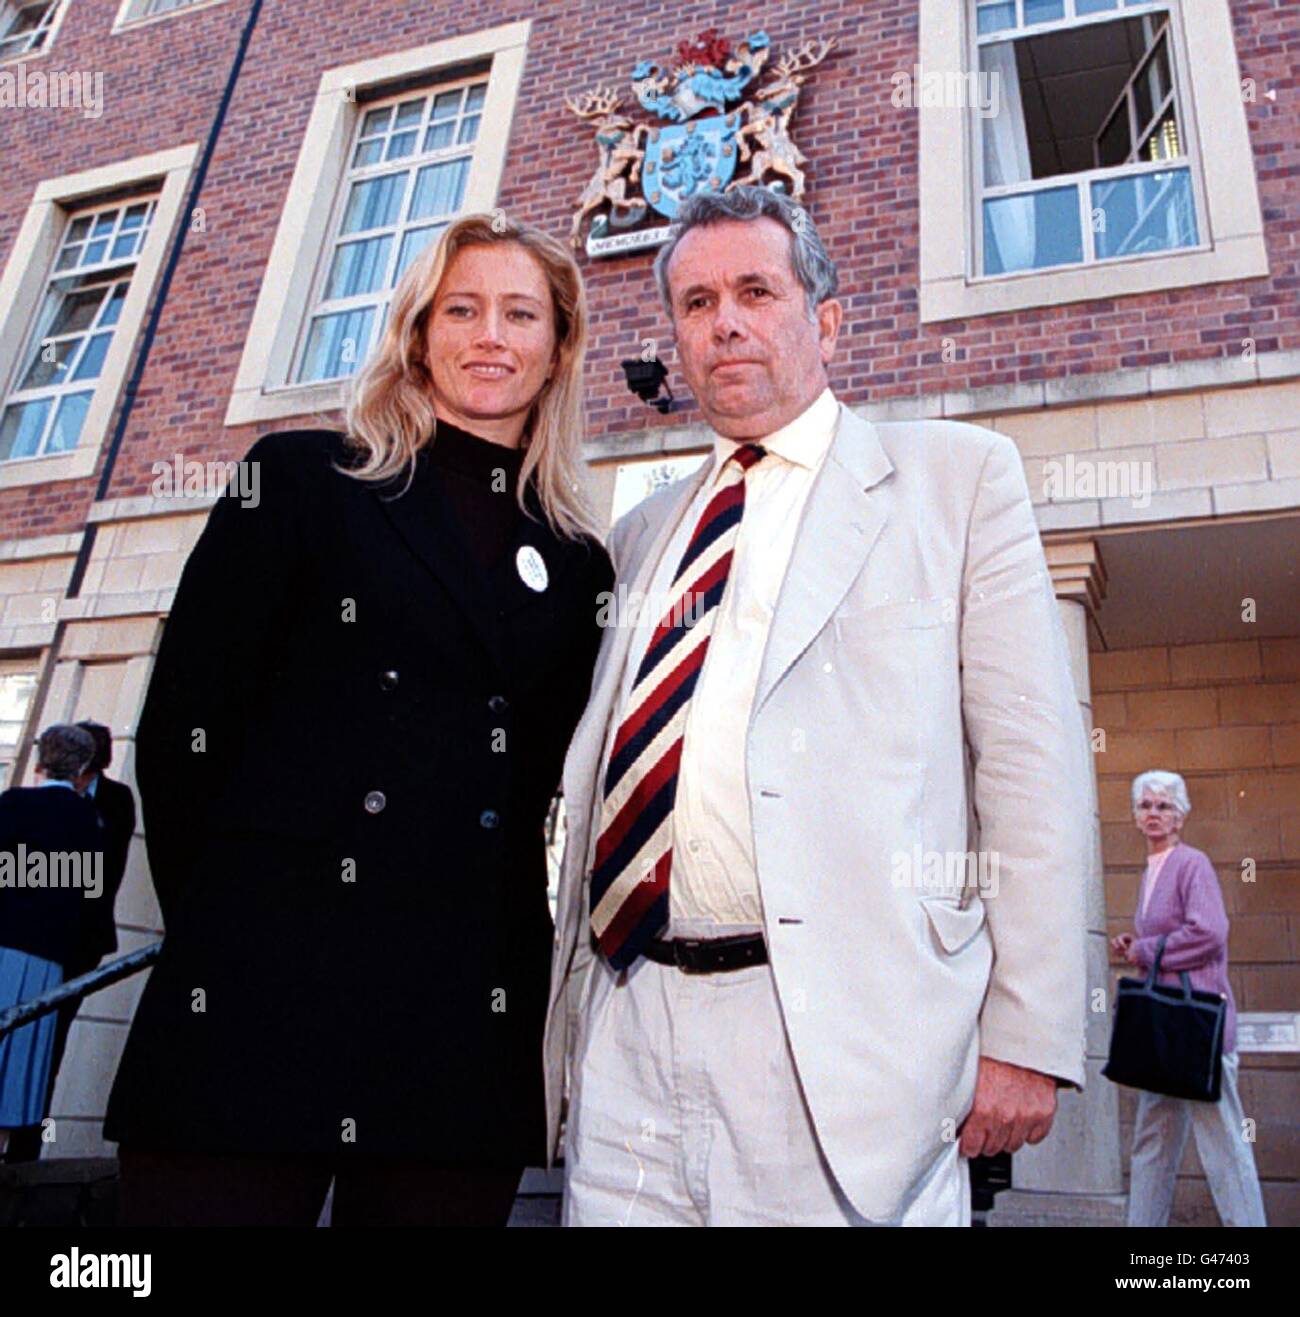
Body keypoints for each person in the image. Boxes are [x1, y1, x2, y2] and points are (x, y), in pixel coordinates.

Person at [545, 186, 1092, 1227]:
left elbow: (1030, 772)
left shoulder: (956, 482)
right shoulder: (643, 532)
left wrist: (1025, 1033)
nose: (725, 323)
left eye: (756, 290)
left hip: (843, 1049)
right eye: (697, 303)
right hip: (630, 1033)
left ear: (827, 320)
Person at [103, 214, 614, 1226]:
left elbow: (545, 789)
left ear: (558, 350)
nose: (489, 337)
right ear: (417, 332)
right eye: (460, 309)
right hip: (260, 989)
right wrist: (229, 932)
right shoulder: (298, 480)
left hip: (463, 1011)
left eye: (520, 314)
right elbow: (184, 734)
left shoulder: (580, 562)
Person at [1113, 769, 1267, 1227]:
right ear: (1136, 816)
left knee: (1223, 1145)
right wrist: (1136, 945)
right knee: (1152, 1145)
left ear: (1180, 816)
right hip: (1167, 1030)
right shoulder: (1151, 870)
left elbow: (1211, 932)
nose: (1154, 814)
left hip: (1198, 1028)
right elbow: (1175, 935)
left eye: (1164, 806)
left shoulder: (1191, 862)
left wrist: (1144, 950)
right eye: (1146, 805)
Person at [4, 720, 135, 1164]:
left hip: (28, 944)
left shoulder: (15, 804)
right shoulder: (87, 821)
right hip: (49, 950)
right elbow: (89, 887)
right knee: (27, 1058)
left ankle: (22, 1158)